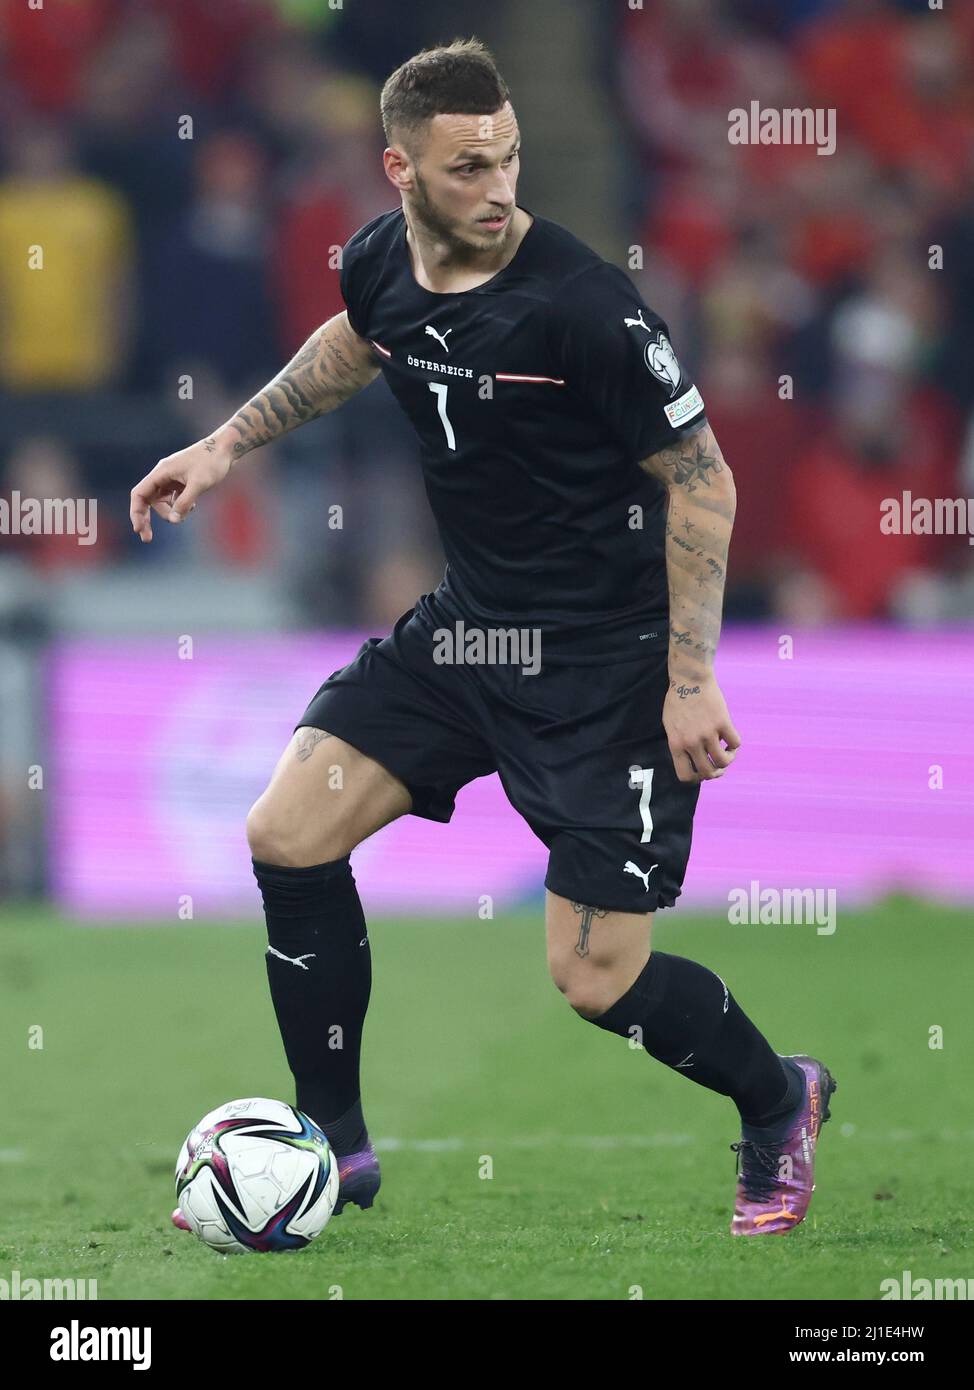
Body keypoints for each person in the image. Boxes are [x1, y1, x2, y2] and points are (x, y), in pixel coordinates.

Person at [131, 39, 834, 1238]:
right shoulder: (376, 259)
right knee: (286, 835)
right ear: (399, 168)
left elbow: (701, 481)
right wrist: (225, 446)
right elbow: (358, 338)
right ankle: (333, 1144)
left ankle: (778, 1103)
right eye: (469, 167)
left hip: (608, 665)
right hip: (471, 635)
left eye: (507, 158)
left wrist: (689, 677)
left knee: (592, 979)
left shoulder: (582, 306)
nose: (501, 186)